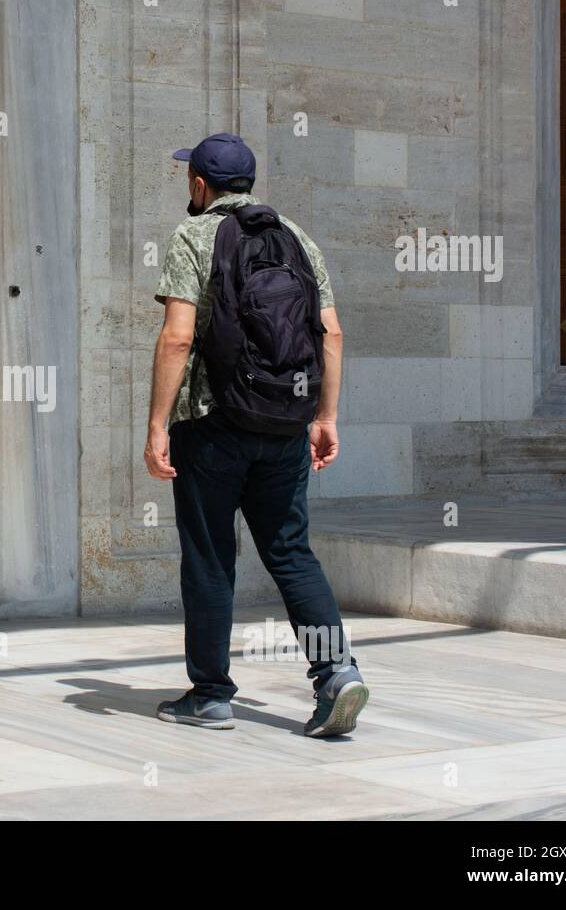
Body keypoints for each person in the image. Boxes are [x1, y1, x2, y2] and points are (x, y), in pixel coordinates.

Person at [144, 132, 368, 738]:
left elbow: (178, 337)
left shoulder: (193, 235)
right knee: (291, 552)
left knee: (212, 556)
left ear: (199, 185)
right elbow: (333, 334)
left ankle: (211, 693)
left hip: (212, 425)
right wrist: (325, 417)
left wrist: (158, 425)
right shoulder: (295, 236)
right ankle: (336, 672)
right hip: (285, 423)